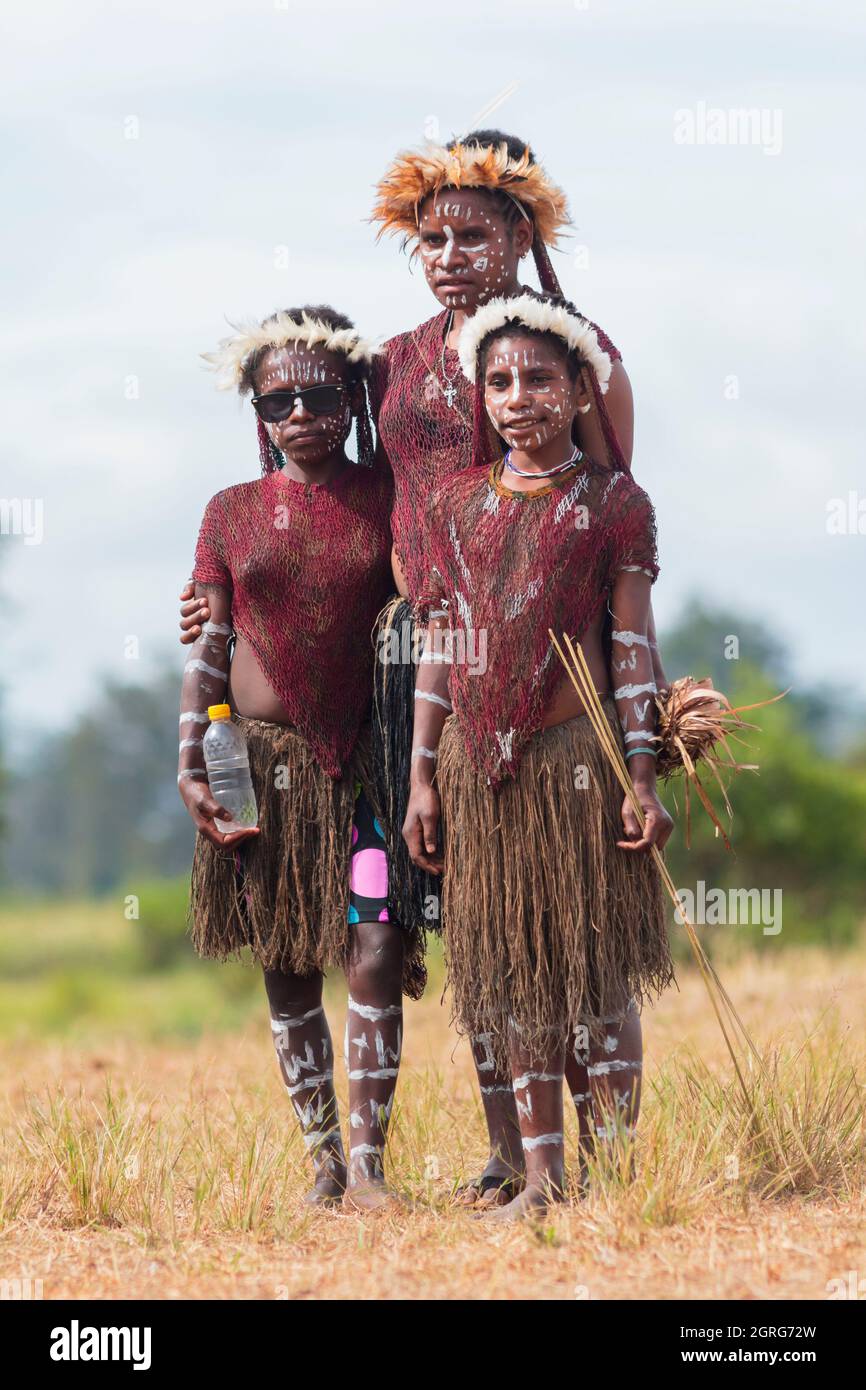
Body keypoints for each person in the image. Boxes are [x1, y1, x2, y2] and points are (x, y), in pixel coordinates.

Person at [179, 129, 665, 1206]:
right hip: (413, 658)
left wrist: (626, 694)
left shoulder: (565, 349)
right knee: (467, 914)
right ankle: (512, 1156)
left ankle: (608, 1166)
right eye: (428, 239)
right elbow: (300, 458)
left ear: (519, 235)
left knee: (568, 919)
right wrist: (226, 600)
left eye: (470, 235)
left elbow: (604, 516)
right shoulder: (391, 360)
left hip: (541, 664)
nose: (447, 256)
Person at [403, 290, 675, 1220]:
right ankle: (544, 1178)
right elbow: (441, 642)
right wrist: (422, 773)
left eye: (541, 380)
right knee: (513, 966)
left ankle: (615, 1174)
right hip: (483, 767)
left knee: (594, 966)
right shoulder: (452, 504)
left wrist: (641, 774)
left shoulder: (614, 505)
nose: (518, 397)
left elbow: (631, 646)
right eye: (500, 381)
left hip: (577, 761)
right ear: (480, 396)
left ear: (577, 390)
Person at [180, 305, 424, 1214]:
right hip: (259, 769)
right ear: (257, 412)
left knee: (376, 944)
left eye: (322, 393)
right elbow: (207, 647)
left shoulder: (389, 498)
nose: (301, 412)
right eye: (278, 397)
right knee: (287, 958)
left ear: (356, 395)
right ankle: (321, 1160)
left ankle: (368, 1166)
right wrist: (189, 762)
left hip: (364, 762)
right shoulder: (229, 513)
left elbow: (430, 593)